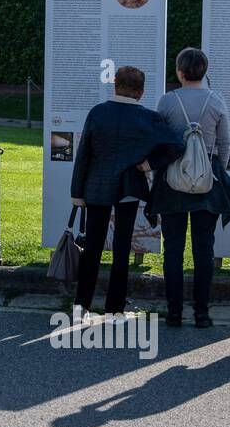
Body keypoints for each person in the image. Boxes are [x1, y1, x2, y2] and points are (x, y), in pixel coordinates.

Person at [70, 66, 183, 319]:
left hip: (97, 186)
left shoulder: (98, 113)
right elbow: (177, 145)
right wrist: (147, 164)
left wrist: (77, 192)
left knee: (93, 247)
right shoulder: (147, 117)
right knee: (122, 250)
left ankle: (81, 306)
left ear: (115, 85)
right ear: (141, 92)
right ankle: (115, 310)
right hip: (129, 187)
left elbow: (84, 154)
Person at [146, 48, 230, 328]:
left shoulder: (167, 102)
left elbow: (159, 141)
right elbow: (225, 143)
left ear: (179, 71)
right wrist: (215, 170)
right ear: (205, 71)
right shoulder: (216, 101)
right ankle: (202, 312)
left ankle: (174, 312)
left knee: (173, 250)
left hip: (172, 181)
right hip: (207, 181)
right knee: (204, 249)